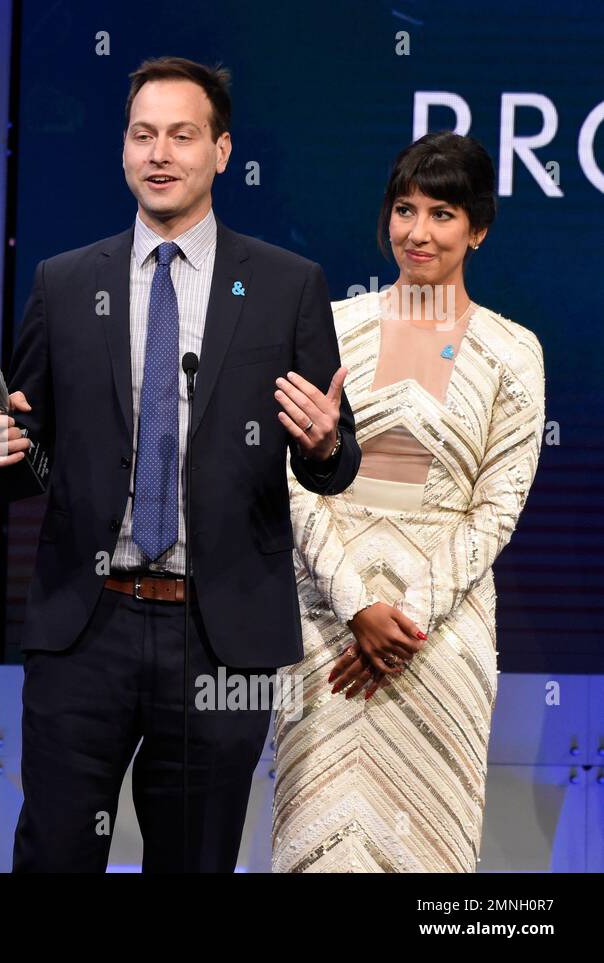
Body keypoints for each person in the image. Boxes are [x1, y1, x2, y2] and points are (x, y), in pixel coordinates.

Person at [0, 57, 360, 872]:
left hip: (218, 638)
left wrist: (324, 444)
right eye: (143, 134)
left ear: (221, 151)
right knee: (55, 853)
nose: (160, 153)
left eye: (182, 135)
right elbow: (25, 458)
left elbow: (333, 462)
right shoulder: (67, 282)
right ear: (121, 151)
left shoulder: (288, 287)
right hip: (87, 628)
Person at [273, 132, 545, 873]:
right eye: (404, 209)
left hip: (441, 640)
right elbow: (292, 477)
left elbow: (496, 509)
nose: (417, 232)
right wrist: (356, 602)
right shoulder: (328, 323)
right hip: (326, 632)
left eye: (443, 213)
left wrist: (409, 621)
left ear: (478, 227)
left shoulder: (513, 350)